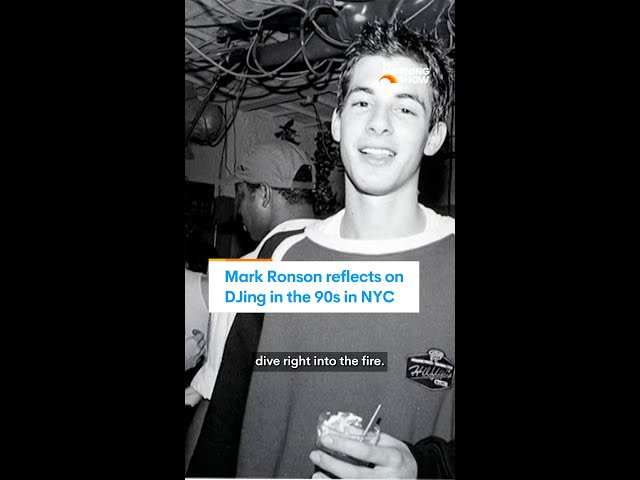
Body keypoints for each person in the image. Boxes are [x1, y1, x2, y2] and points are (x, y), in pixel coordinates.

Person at [214, 20, 455, 479]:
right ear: (338, 122)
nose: (379, 123)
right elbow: (221, 428)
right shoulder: (277, 258)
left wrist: (426, 467)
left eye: (405, 108)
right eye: (363, 102)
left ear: (434, 136)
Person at [185, 141, 318, 473]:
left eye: (241, 195)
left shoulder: (246, 274)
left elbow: (215, 400)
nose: (238, 210)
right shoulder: (350, 260)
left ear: (265, 195)